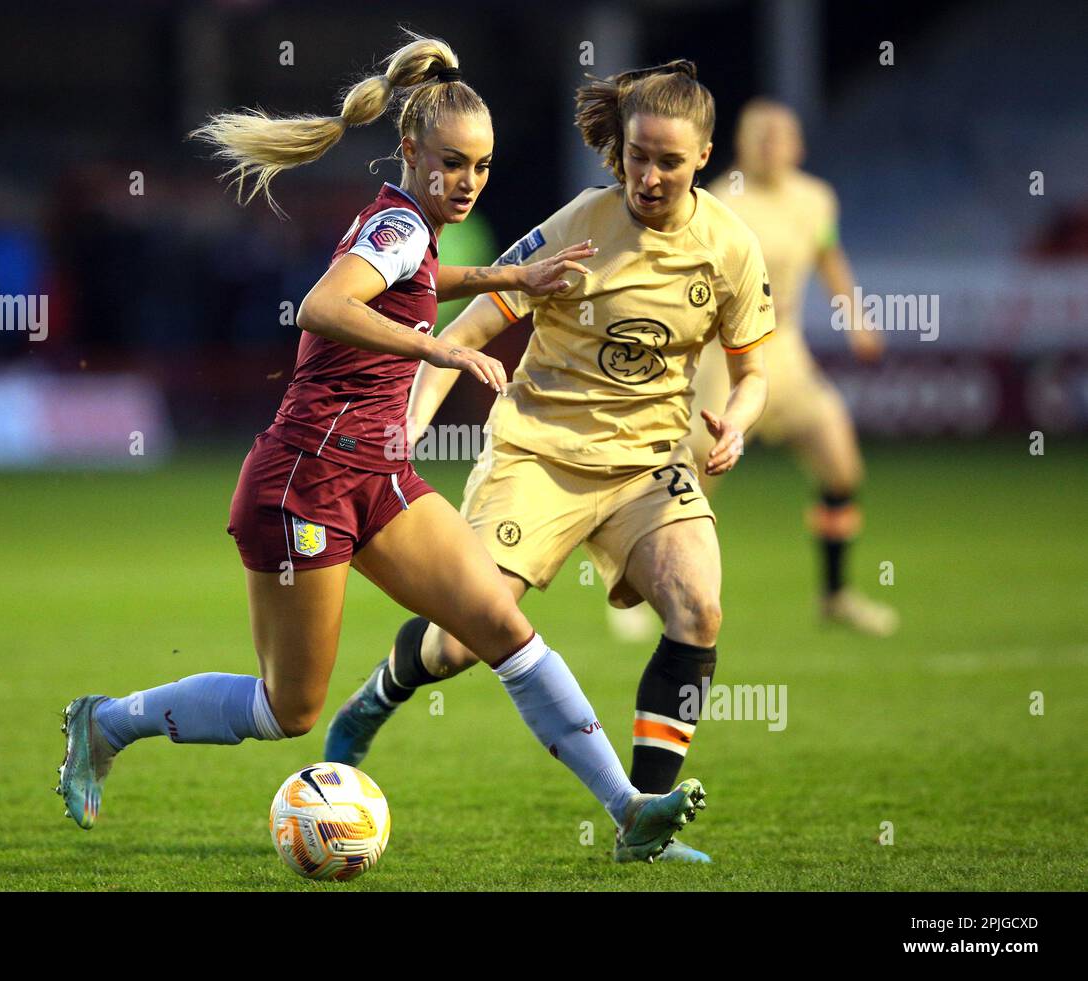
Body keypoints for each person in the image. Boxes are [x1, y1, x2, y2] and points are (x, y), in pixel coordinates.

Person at [55, 34, 705, 864]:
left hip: (377, 475)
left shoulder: (412, 229)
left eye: (482, 167)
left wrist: (509, 280)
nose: (467, 182)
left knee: (502, 626)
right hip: (307, 481)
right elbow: (322, 308)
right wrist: (432, 348)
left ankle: (628, 808)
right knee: (289, 709)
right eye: (453, 163)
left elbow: (417, 281)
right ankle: (105, 723)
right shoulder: (401, 225)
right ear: (408, 151)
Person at [324, 60, 772, 863]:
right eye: (638, 154)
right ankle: (375, 697)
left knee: (698, 609)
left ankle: (643, 818)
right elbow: (460, 335)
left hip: (648, 465)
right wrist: (409, 424)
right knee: (462, 638)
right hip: (539, 453)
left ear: (704, 156)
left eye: (669, 160)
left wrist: (736, 423)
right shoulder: (579, 227)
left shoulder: (732, 250)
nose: (650, 174)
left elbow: (754, 372)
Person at [612, 98, 897, 642]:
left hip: (785, 355)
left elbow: (828, 256)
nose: (770, 144)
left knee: (841, 466)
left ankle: (835, 596)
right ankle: (636, 588)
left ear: (798, 144)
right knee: (693, 479)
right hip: (725, 356)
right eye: (759, 135)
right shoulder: (720, 199)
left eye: (780, 135)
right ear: (740, 144)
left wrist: (857, 318)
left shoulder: (816, 200)